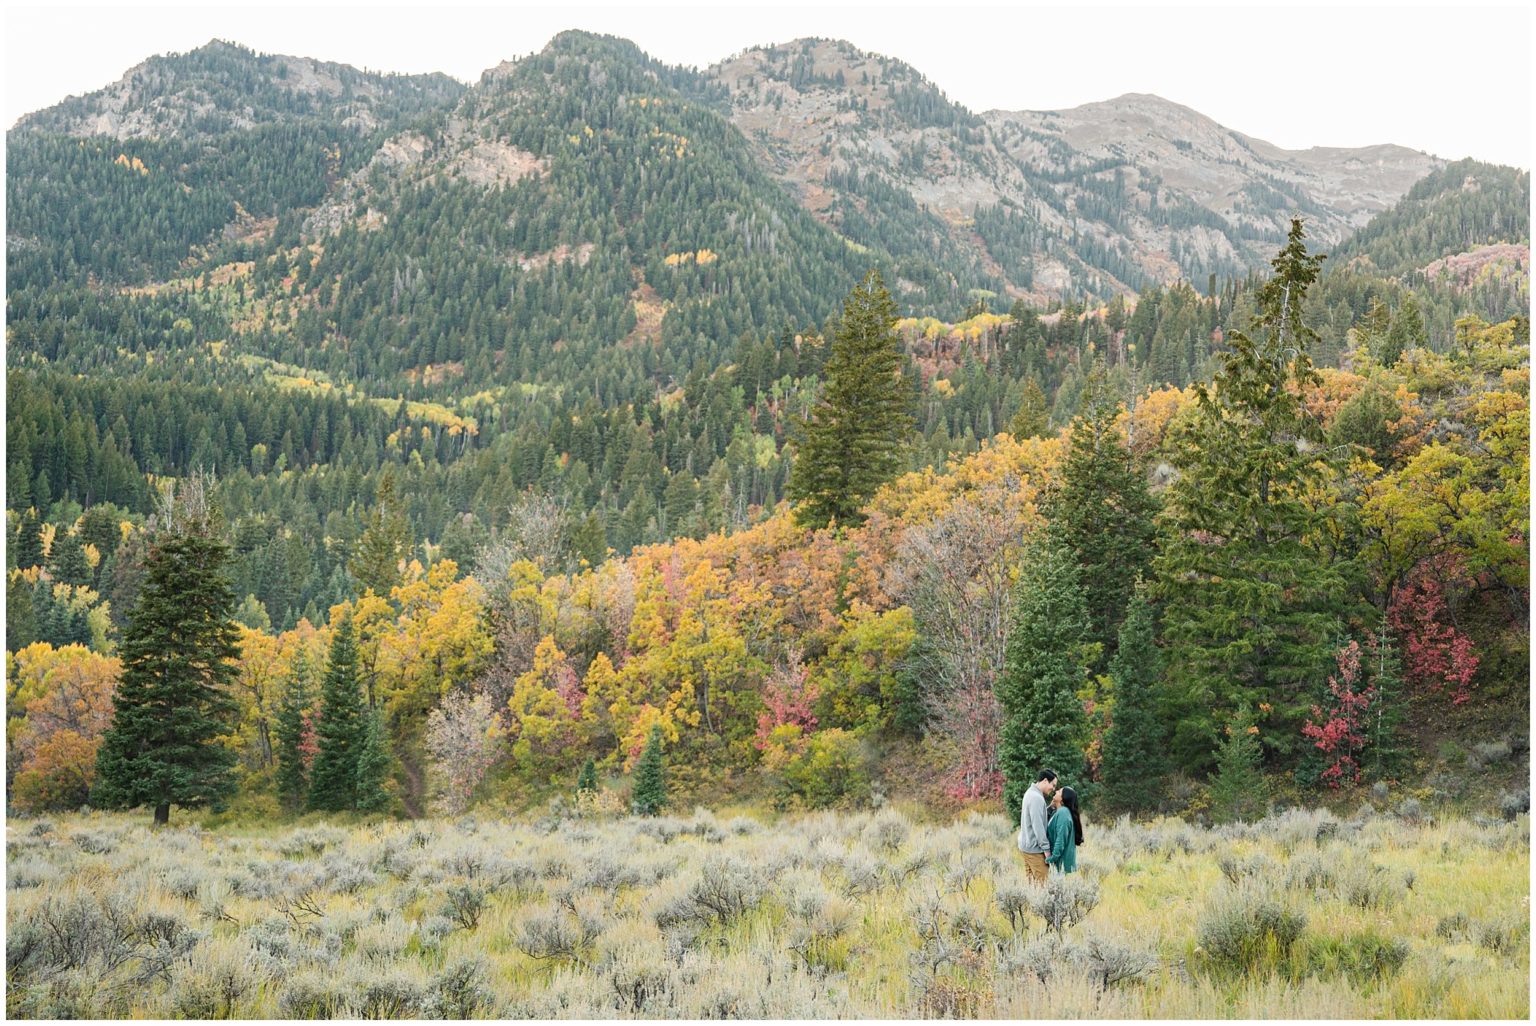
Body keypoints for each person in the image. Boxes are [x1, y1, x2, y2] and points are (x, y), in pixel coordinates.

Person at [1017, 769, 1057, 884]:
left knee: (1032, 887)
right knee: (1043, 887)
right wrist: (1047, 851)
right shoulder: (1036, 798)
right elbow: (1038, 827)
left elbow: (1037, 816)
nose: (1053, 789)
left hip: (1026, 847)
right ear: (1045, 781)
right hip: (1035, 851)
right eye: (1052, 785)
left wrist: (1050, 808)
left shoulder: (1030, 793)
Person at [1046, 785, 1083, 874]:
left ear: (1062, 799)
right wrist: (1051, 807)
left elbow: (1060, 839)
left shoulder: (1063, 813)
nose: (1056, 791)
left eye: (1059, 791)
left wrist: (1052, 858)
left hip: (1060, 865)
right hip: (1057, 864)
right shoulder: (1058, 811)